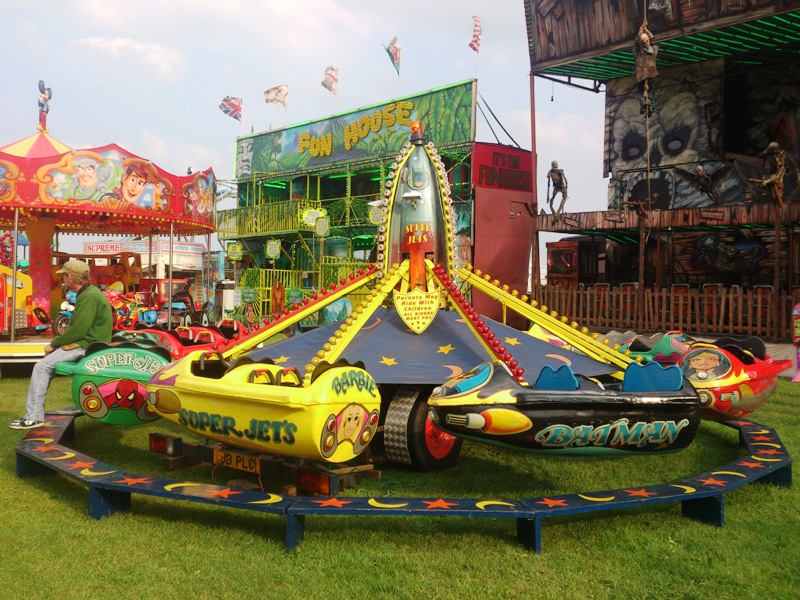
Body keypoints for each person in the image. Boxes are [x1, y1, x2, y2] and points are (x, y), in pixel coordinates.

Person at [10, 260, 113, 429]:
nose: (62, 279)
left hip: (87, 344)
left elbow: (78, 331)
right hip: (88, 342)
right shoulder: (89, 294)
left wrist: (53, 344)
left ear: (70, 277)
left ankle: (33, 417)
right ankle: (34, 415)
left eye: (64, 275)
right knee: (44, 367)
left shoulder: (89, 297)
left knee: (41, 367)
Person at [633, 20, 658, 117]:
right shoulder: (653, 51)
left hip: (641, 75)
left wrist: (641, 29)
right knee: (650, 91)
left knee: (640, 92)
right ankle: (650, 106)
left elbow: (636, 42)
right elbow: (655, 41)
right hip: (651, 73)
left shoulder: (638, 52)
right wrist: (647, 31)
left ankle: (644, 104)